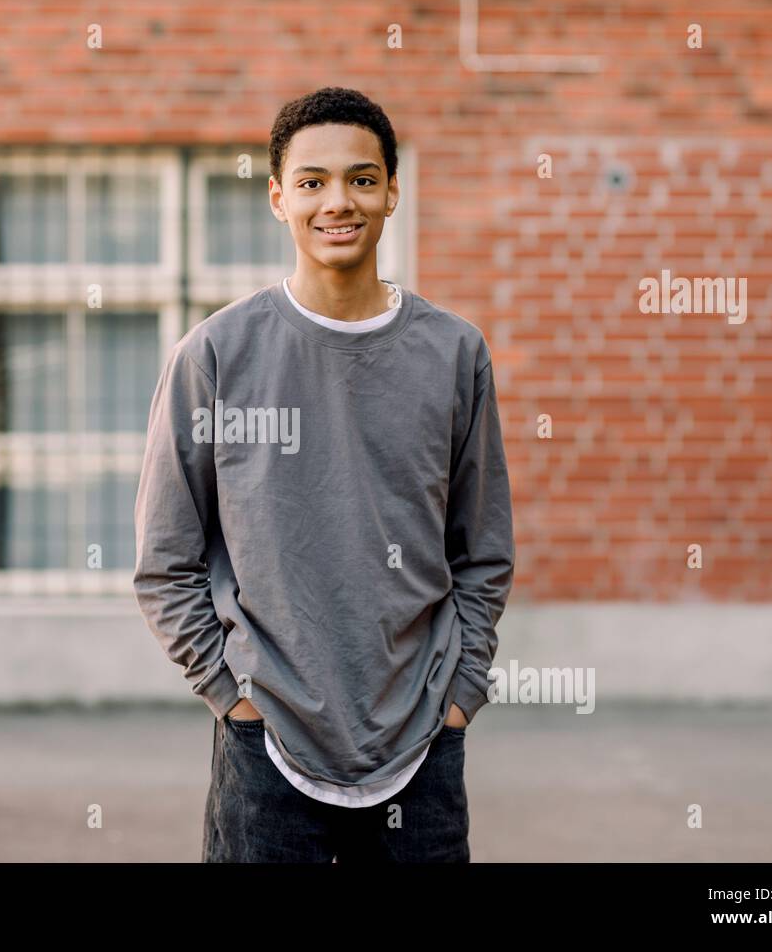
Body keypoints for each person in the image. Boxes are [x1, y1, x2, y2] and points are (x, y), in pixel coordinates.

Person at [133, 86, 515, 862]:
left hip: (422, 748)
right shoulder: (214, 357)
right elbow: (163, 562)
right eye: (311, 182)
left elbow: (483, 550)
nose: (337, 201)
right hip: (266, 752)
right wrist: (229, 694)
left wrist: (462, 694)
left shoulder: (454, 354)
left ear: (392, 193)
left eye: (361, 178)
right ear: (279, 199)